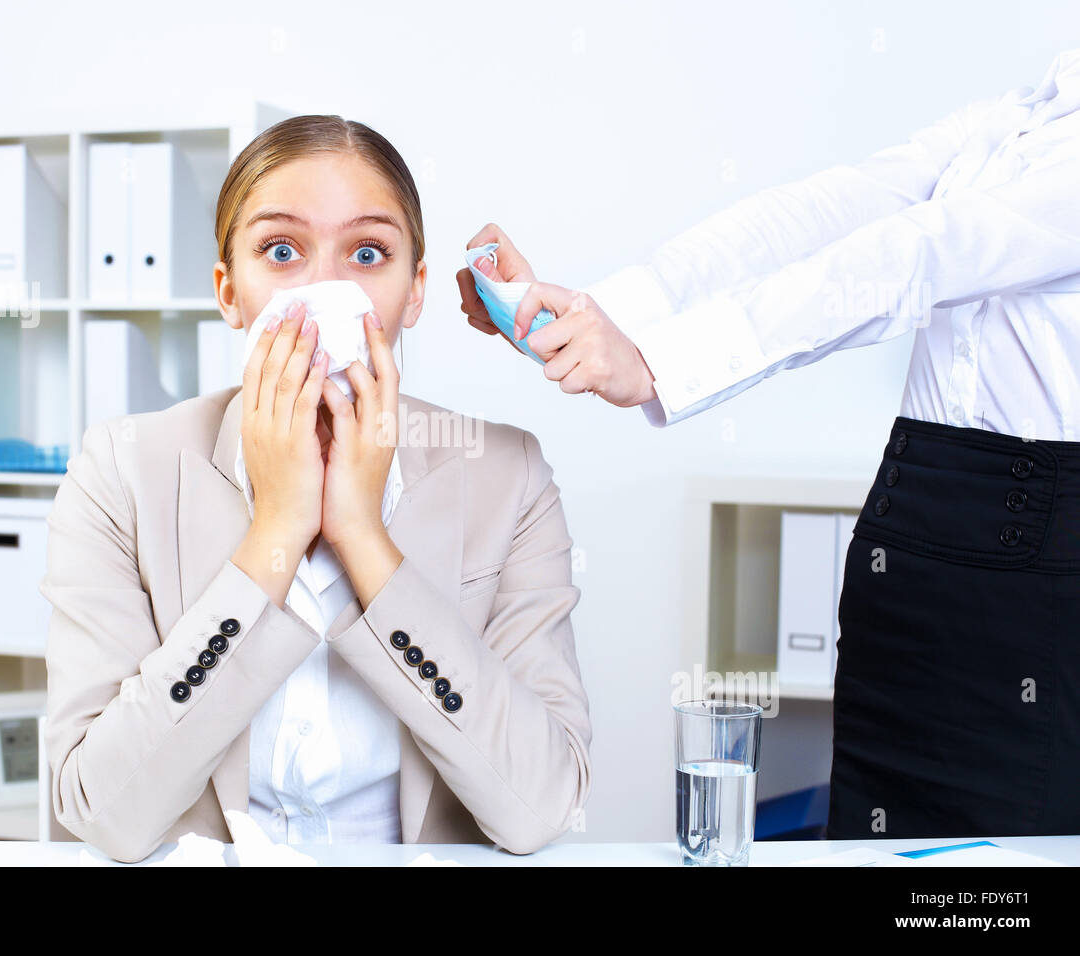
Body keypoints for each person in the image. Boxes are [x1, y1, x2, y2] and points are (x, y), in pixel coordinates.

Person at [459, 49, 1080, 840]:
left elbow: (924, 252)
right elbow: (827, 211)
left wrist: (657, 363)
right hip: (914, 531)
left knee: (1001, 891)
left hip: (1040, 567)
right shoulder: (1033, 110)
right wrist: (588, 314)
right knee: (879, 862)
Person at [40, 114, 591, 864]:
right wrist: (276, 534)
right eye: (281, 250)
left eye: (368, 253)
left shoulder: (507, 476)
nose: (326, 290)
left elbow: (543, 805)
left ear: (415, 292)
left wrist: (364, 539)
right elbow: (103, 814)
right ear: (229, 294)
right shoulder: (121, 471)